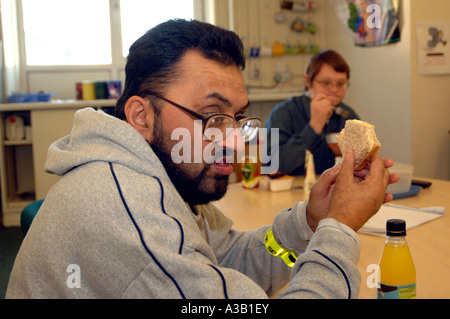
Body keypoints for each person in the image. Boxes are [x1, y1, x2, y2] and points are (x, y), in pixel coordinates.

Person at [6, 20, 398, 299]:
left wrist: (309, 223)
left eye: (238, 118)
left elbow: (225, 257)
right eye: (212, 117)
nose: (231, 140)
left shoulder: (162, 174)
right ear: (141, 116)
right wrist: (340, 229)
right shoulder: (125, 212)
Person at [264, 50, 359, 176]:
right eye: (326, 83)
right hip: (290, 193)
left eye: (340, 84)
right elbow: (271, 166)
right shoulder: (283, 113)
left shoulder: (348, 116)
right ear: (308, 81)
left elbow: (364, 162)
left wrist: (350, 157)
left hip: (336, 192)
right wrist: (313, 128)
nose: (334, 90)